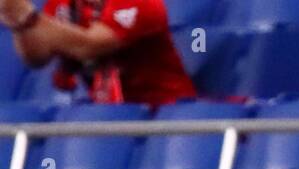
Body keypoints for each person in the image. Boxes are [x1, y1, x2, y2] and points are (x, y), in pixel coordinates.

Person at [0, 0, 195, 106]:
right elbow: (37, 59)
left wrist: (31, 18)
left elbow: (89, 46)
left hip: (164, 111)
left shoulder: (142, 3)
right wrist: (19, 23)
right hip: (106, 113)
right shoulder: (63, 4)